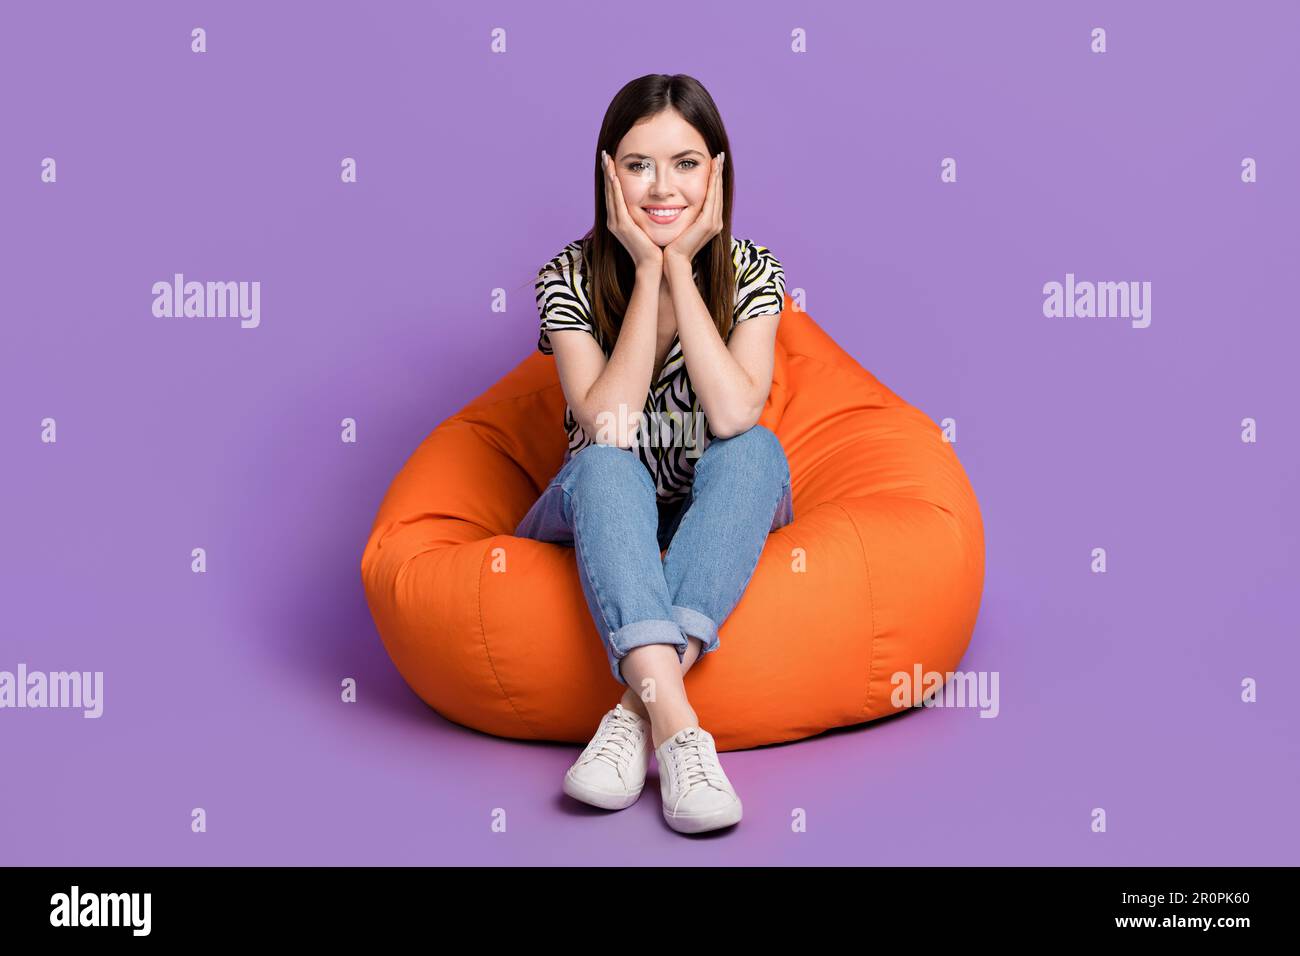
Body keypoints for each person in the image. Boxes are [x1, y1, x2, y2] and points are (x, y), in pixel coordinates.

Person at [514, 74, 792, 834]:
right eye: (638, 165)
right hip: (603, 504)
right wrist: (646, 273)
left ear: (718, 173)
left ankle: (634, 719)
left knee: (756, 450)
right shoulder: (566, 276)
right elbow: (606, 424)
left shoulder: (755, 271)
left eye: (686, 163)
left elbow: (735, 411)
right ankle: (680, 734)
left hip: (712, 506)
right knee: (606, 462)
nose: (661, 187)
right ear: (608, 174)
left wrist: (685, 272)